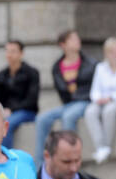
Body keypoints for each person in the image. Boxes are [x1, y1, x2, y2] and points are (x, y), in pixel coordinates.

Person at [34, 29, 95, 165]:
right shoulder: (57, 67)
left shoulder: (91, 63)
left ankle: (70, 159)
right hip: (69, 104)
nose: (77, 41)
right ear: (63, 45)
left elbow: (94, 88)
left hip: (85, 101)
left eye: (77, 39)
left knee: (68, 116)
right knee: (42, 119)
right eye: (73, 39)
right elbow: (62, 91)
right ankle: (40, 164)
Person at [83, 37, 116, 164]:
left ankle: (107, 146)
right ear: (106, 53)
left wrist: (111, 98)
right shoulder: (100, 68)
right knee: (90, 111)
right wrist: (99, 99)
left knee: (109, 111)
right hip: (102, 101)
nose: (115, 54)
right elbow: (94, 90)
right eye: (111, 51)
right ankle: (100, 146)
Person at [0, 40, 39, 150]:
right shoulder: (1, 75)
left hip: (27, 111)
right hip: (6, 112)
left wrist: (12, 109)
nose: (9, 55)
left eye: (13, 51)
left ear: (21, 53)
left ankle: (6, 157)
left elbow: (32, 100)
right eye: (7, 51)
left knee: (7, 124)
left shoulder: (32, 73)